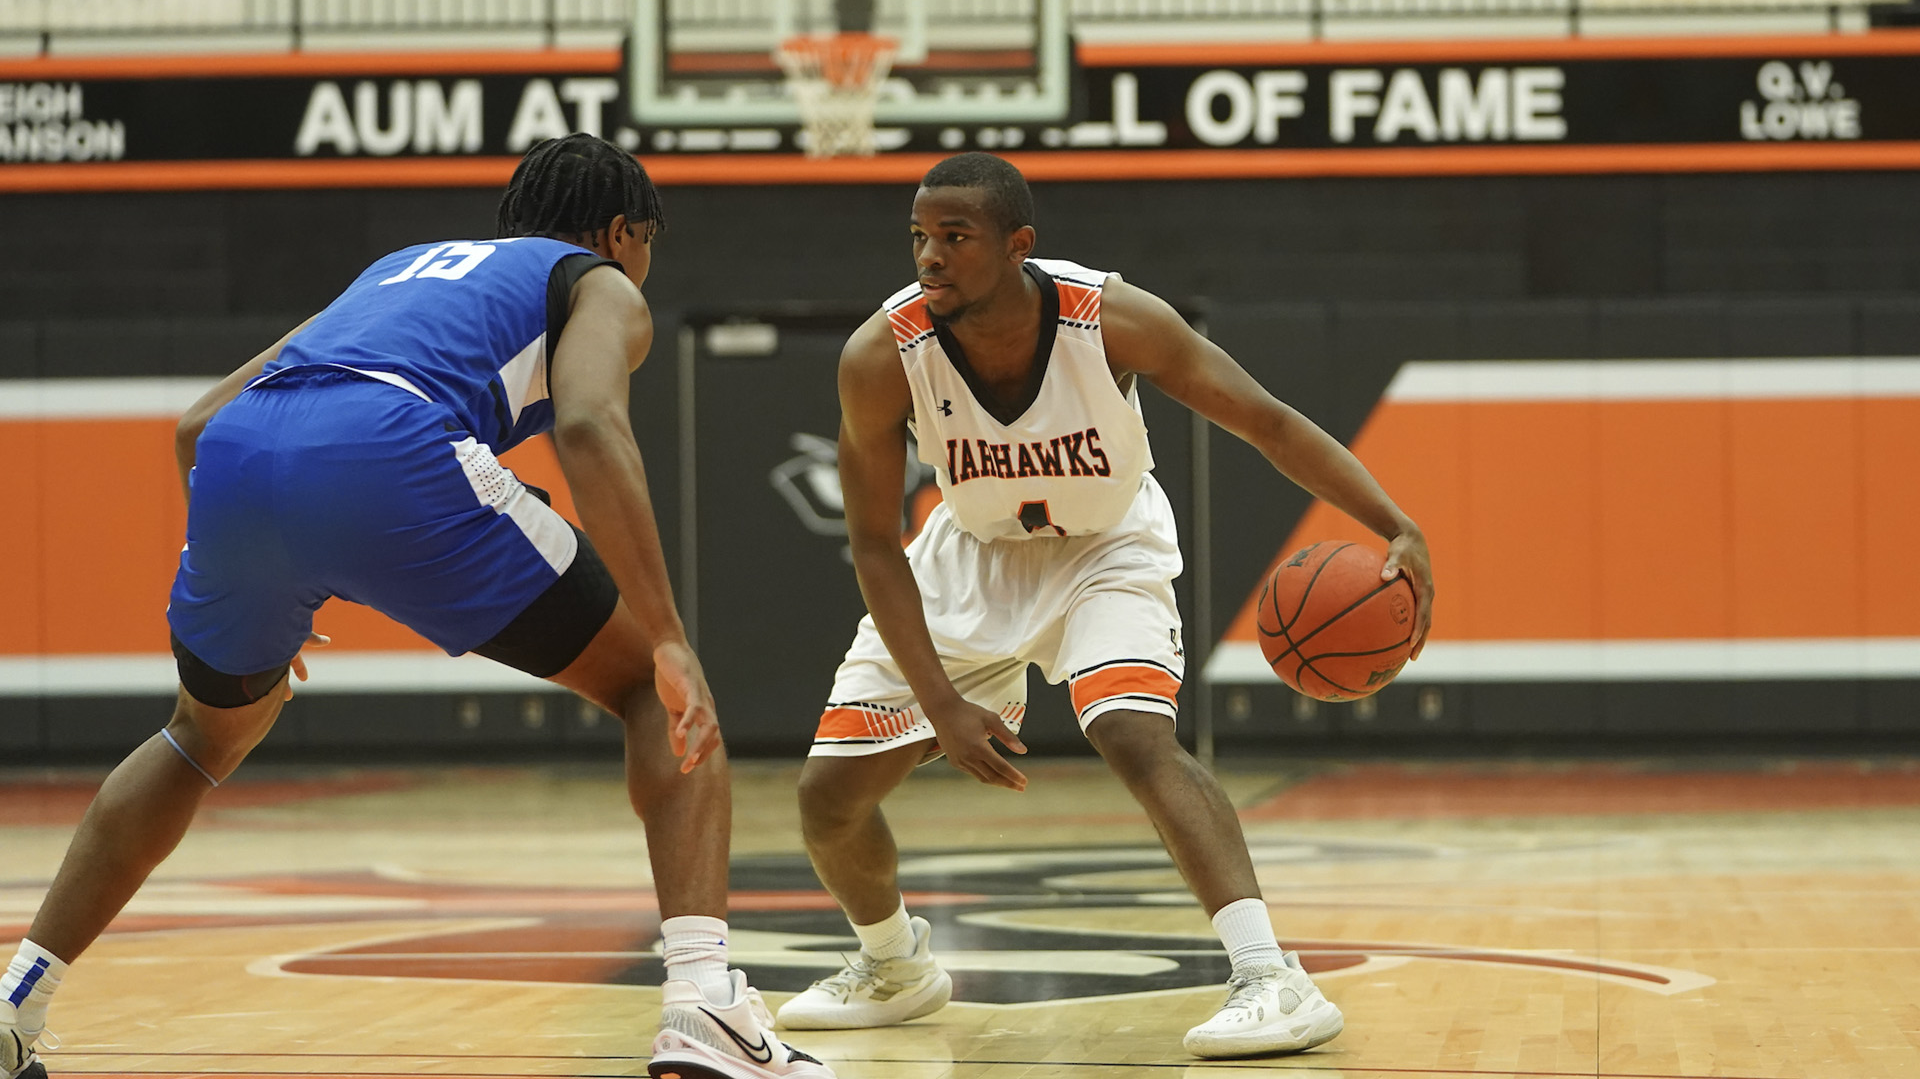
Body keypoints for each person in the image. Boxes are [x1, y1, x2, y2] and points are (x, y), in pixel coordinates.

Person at [0, 134, 833, 1079]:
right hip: (392, 443)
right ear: (621, 233)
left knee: (199, 738)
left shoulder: (397, 268)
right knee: (659, 692)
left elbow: (199, 424)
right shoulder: (596, 280)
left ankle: (16, 1004)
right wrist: (673, 638)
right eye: (648, 245)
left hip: (241, 456)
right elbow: (591, 424)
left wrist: (277, 575)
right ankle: (703, 1004)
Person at [772, 152, 1435, 1059]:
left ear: (1019, 246)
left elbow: (1267, 420)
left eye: (956, 238)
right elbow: (878, 547)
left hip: (1106, 546)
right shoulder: (881, 355)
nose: (930, 256)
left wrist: (1393, 522)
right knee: (828, 800)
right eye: (919, 237)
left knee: (1132, 732)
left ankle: (1270, 975)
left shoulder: (1112, 319)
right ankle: (894, 964)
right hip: (969, 561)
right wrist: (941, 704)